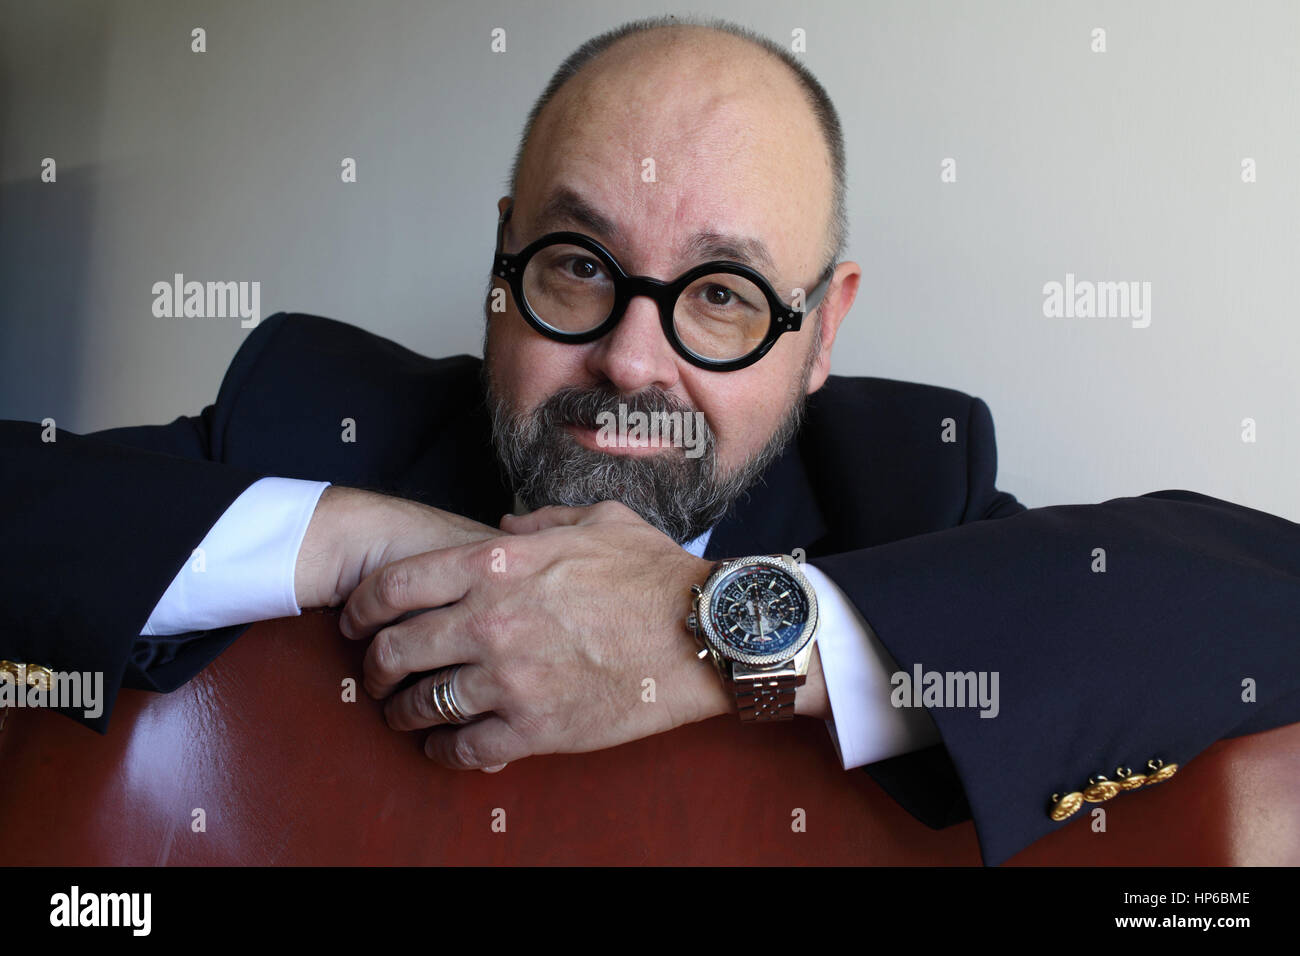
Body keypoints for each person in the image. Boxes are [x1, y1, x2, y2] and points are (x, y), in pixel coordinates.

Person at [3, 15, 1298, 867]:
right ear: (502, 263)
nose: (631, 359)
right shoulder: (313, 414)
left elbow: (1264, 605)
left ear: (823, 332)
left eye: (722, 295)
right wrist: (347, 535)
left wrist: (712, 630)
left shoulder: (909, 485)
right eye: (578, 265)